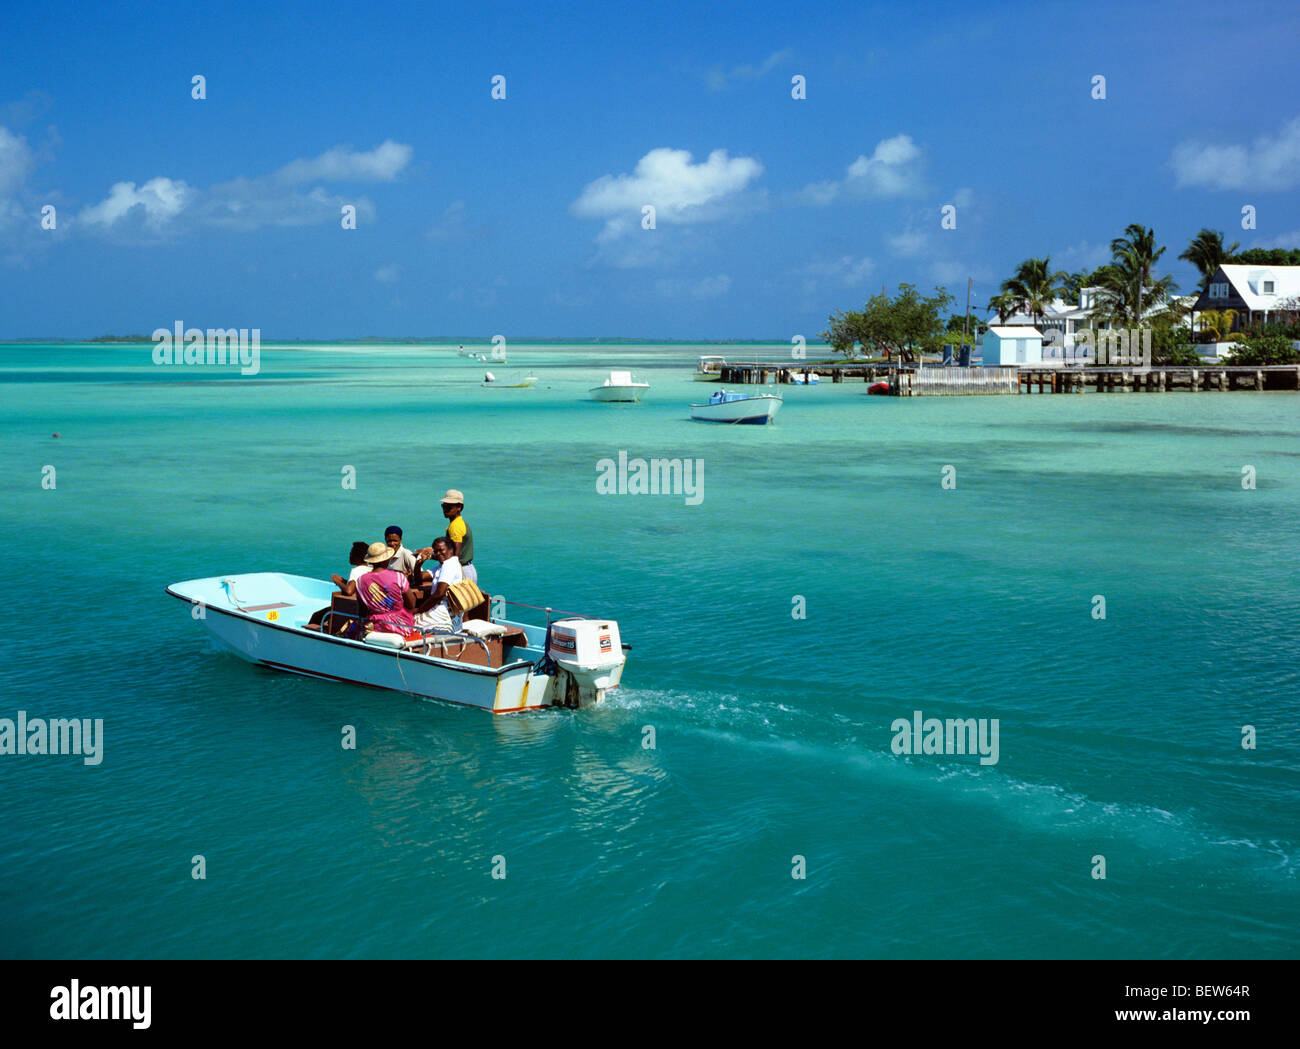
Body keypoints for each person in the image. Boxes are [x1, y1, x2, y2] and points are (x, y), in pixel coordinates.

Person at [355, 541, 415, 634]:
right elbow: (411, 604)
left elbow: (362, 611)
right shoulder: (399, 577)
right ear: (386, 559)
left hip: (374, 625)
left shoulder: (360, 581)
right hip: (401, 626)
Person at [420, 489, 476, 583]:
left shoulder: (455, 527)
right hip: (468, 569)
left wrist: (427, 556)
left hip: (461, 571)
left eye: (449, 506)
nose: (445, 509)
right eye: (444, 506)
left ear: (460, 507)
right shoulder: (460, 523)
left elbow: (453, 558)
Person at [413, 537, 464, 633]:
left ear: (451, 550)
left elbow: (439, 594)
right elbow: (419, 579)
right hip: (450, 614)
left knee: (408, 622)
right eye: (436, 552)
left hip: (444, 614)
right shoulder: (443, 566)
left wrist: (419, 610)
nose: (438, 554)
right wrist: (418, 565)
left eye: (441, 550)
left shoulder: (449, 565)